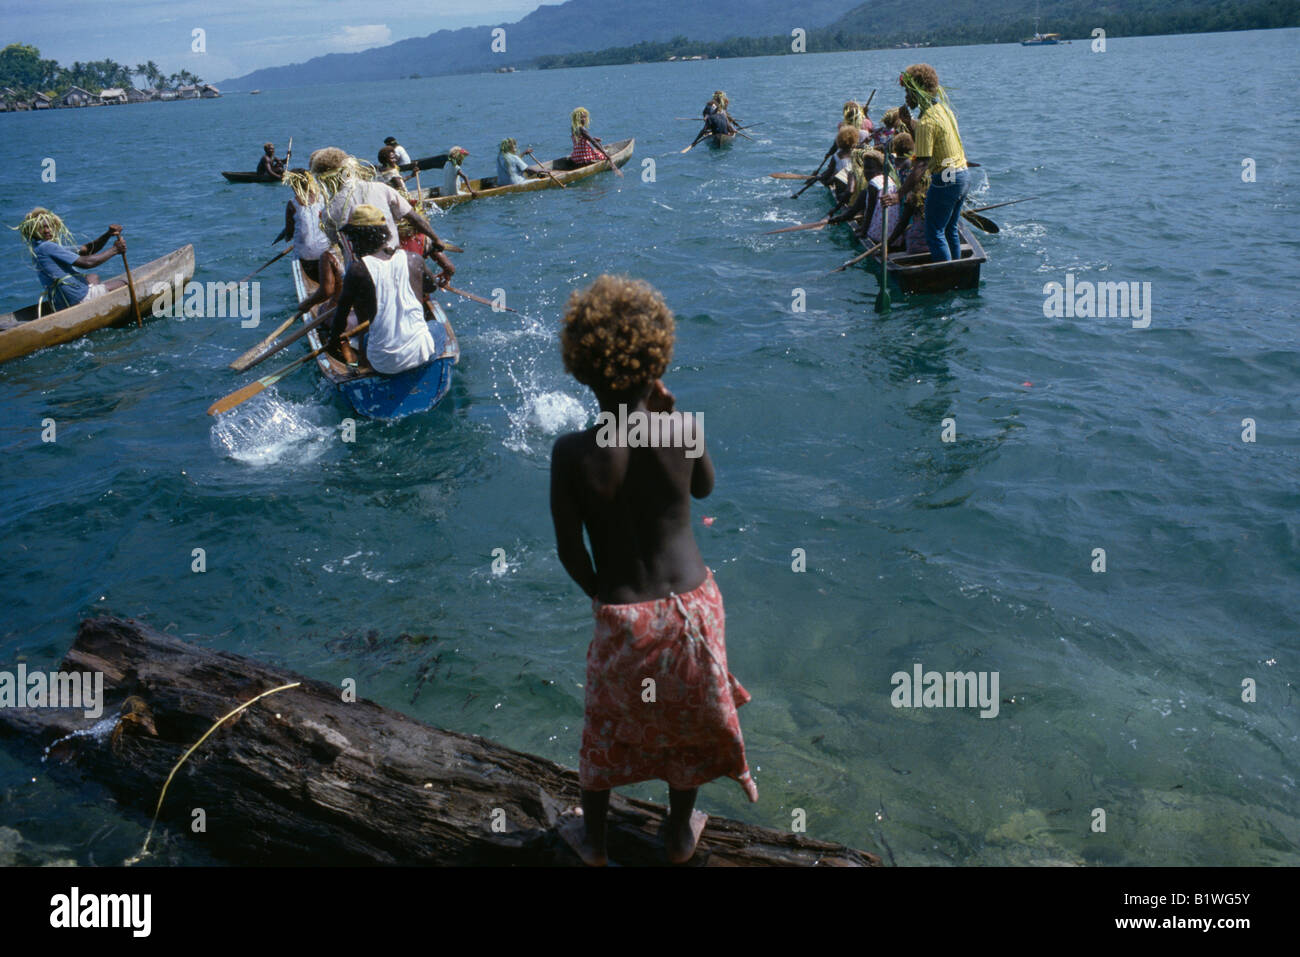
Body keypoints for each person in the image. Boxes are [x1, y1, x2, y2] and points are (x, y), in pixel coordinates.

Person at [550, 275, 758, 867]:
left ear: (581, 369)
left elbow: (570, 550)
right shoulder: (680, 430)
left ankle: (594, 840)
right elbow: (706, 486)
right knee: (688, 720)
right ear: (656, 359)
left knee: (608, 724)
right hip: (695, 604)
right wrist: (671, 415)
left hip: (624, 612)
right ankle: (676, 835)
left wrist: (605, 597)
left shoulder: (572, 453)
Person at [326, 204, 449, 373]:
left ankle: (364, 366)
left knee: (367, 337)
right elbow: (431, 287)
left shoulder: (357, 270)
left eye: (353, 239)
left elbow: (340, 316)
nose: (352, 246)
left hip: (382, 364)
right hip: (420, 353)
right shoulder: (414, 259)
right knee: (437, 327)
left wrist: (332, 343)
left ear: (363, 238)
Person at [310, 147, 454, 280]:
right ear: (348, 169)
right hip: (394, 263)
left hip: (361, 274)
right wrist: (436, 239)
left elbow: (341, 246)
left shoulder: (329, 212)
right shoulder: (381, 188)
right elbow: (414, 218)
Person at [890, 63, 969, 262]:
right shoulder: (943, 110)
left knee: (933, 231)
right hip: (962, 175)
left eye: (908, 91)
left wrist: (899, 194)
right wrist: (909, 124)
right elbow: (928, 145)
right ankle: (956, 270)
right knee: (950, 228)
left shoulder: (926, 122)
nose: (907, 97)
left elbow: (921, 165)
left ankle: (947, 274)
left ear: (918, 91)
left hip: (946, 178)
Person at [15, 208, 127, 312]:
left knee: (93, 277)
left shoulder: (40, 247)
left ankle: (98, 298)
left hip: (62, 301)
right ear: (33, 230)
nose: (48, 230)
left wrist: (107, 234)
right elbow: (87, 262)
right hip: (76, 298)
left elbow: (87, 250)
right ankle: (99, 306)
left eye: (49, 226)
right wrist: (115, 250)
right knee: (122, 284)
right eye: (43, 227)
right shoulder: (47, 247)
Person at [279, 169, 343, 321]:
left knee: (305, 250)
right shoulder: (324, 197)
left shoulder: (292, 204)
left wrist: (288, 234)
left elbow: (289, 234)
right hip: (326, 250)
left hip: (307, 257)